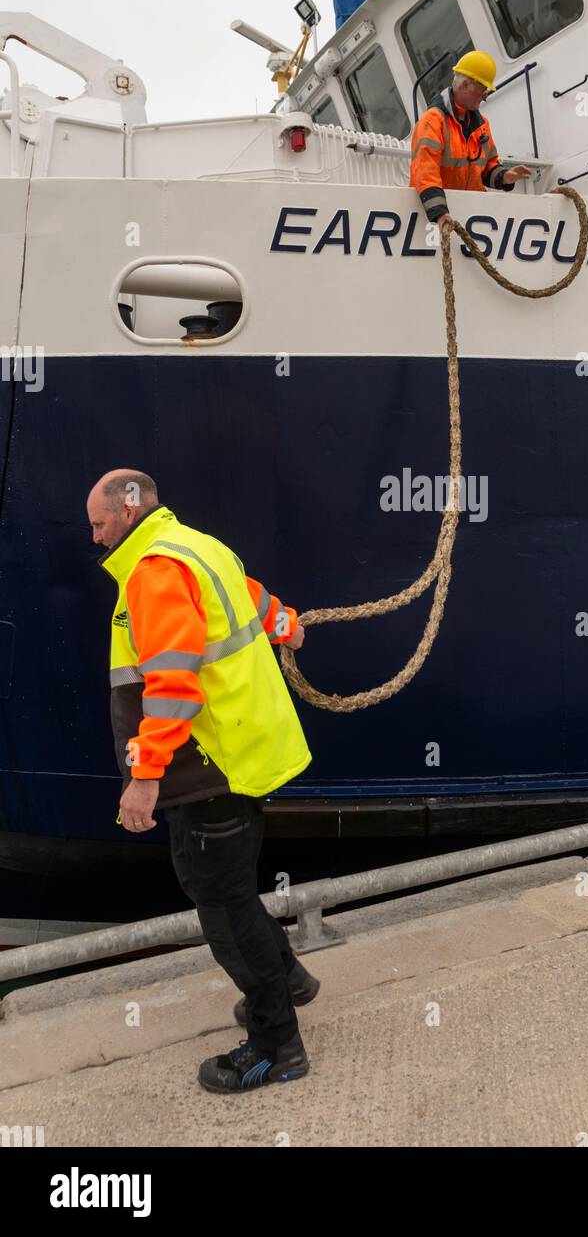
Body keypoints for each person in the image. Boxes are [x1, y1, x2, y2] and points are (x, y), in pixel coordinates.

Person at [87, 468, 317, 1093]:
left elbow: (174, 687)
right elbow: (247, 599)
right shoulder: (199, 546)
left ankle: (276, 1044)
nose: (95, 536)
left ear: (128, 511)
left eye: (100, 524)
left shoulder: (154, 574)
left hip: (207, 764)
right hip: (244, 753)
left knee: (221, 907)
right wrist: (285, 623)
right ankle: (289, 978)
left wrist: (144, 777)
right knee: (236, 890)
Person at [409, 49, 533, 230]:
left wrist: (506, 176)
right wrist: (439, 213)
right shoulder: (433, 121)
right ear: (465, 85)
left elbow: (487, 170)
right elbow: (425, 172)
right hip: (436, 220)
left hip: (471, 216)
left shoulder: (482, 125)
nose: (485, 96)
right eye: (483, 90)